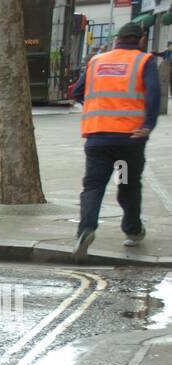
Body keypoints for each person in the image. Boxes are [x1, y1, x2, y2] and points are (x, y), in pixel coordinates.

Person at [71, 22, 159, 263]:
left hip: (98, 139)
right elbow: (153, 94)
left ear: (118, 39)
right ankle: (132, 229)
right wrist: (148, 125)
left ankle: (86, 230)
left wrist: (96, 108)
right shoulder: (144, 61)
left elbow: (77, 92)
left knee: (93, 187)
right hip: (129, 141)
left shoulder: (97, 61)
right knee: (127, 184)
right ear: (140, 39)